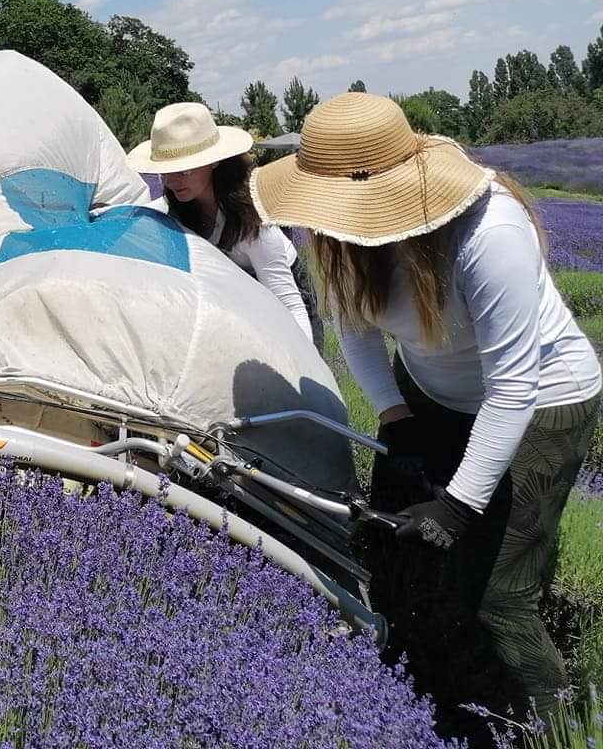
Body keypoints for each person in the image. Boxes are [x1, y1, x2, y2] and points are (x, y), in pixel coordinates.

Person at [252, 91, 602, 731]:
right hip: (431, 395)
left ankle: (559, 728)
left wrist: (460, 503)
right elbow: (354, 326)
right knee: (402, 552)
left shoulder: (489, 231)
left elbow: (513, 385)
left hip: (542, 402)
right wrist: (395, 417)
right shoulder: (337, 234)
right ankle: (430, 689)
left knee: (499, 596)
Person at [128, 102, 322, 349]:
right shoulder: (175, 206)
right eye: (164, 171)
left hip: (284, 294)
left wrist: (306, 362)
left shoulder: (251, 219)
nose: (171, 181)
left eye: (183, 170)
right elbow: (141, 214)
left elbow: (289, 302)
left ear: (214, 162)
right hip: (237, 297)